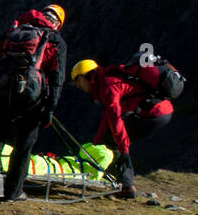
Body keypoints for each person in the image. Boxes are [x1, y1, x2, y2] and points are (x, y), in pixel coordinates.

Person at [0, 4, 68, 201]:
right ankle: (13, 191)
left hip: (4, 94)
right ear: (57, 23)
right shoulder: (56, 41)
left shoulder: (16, 31)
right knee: (23, 147)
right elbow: (58, 77)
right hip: (33, 100)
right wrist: (50, 107)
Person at [70, 58, 175, 200]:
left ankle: (126, 186)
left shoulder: (107, 85)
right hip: (160, 111)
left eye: (78, 82)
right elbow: (108, 119)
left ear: (83, 76)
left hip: (153, 113)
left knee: (114, 143)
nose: (79, 87)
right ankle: (120, 182)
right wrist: (97, 144)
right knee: (110, 141)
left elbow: (115, 119)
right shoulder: (105, 81)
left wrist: (123, 147)